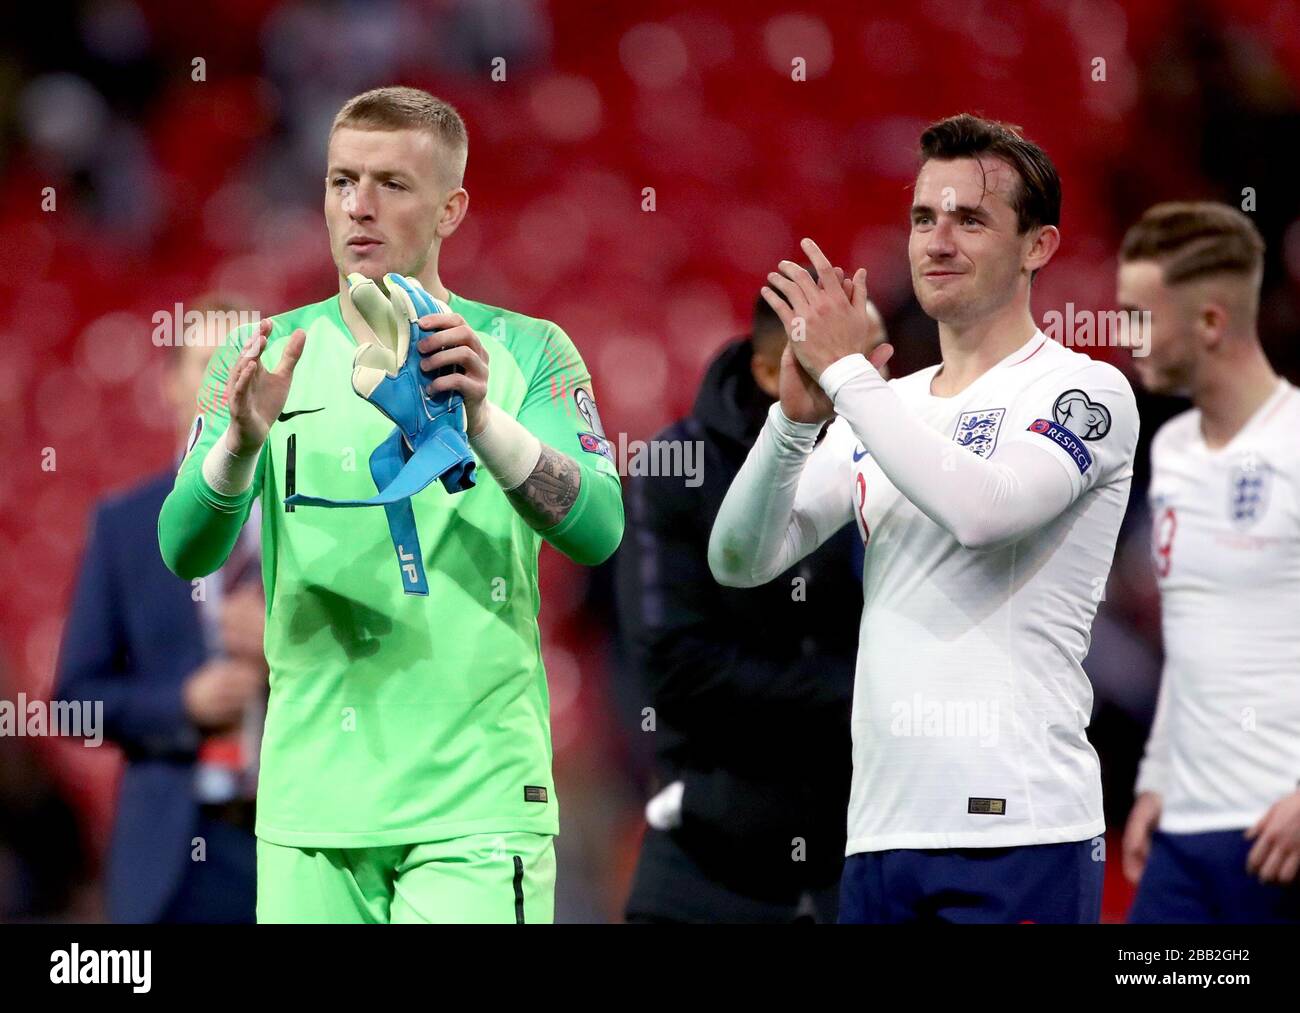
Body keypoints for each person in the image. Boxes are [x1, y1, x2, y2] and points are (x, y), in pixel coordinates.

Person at [157, 86, 623, 924]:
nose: (358, 207)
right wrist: (240, 445)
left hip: (475, 806)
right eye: (341, 181)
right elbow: (183, 547)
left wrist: (483, 420)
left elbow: (598, 528)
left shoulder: (524, 350)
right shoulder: (263, 354)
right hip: (310, 812)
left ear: (452, 208)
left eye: (391, 185)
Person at [709, 114, 1139, 923]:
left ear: (1038, 247)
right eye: (923, 218)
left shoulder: (1084, 393)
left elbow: (984, 511)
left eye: (970, 219)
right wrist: (793, 424)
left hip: (1020, 832)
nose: (938, 240)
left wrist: (845, 375)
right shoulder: (890, 407)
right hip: (879, 834)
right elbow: (740, 558)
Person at [617, 287, 860, 923]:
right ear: (766, 371)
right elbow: (676, 664)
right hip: (710, 856)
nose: (854, 382)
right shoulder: (675, 469)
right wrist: (855, 693)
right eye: (828, 365)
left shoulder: (886, 456)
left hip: (860, 853)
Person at [1117, 201, 1300, 922]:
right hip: (1184, 840)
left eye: (1140, 316)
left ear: (1211, 323)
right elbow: (1190, 633)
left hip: (1279, 831)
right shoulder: (1170, 452)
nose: (1122, 336)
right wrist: (1159, 775)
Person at [54, 304, 265, 923]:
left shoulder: (307, 521)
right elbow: (74, 698)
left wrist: (285, 649)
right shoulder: (124, 526)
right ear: (171, 385)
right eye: (210, 364)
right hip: (174, 856)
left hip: (299, 839)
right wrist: (182, 705)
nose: (231, 382)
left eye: (245, 363)